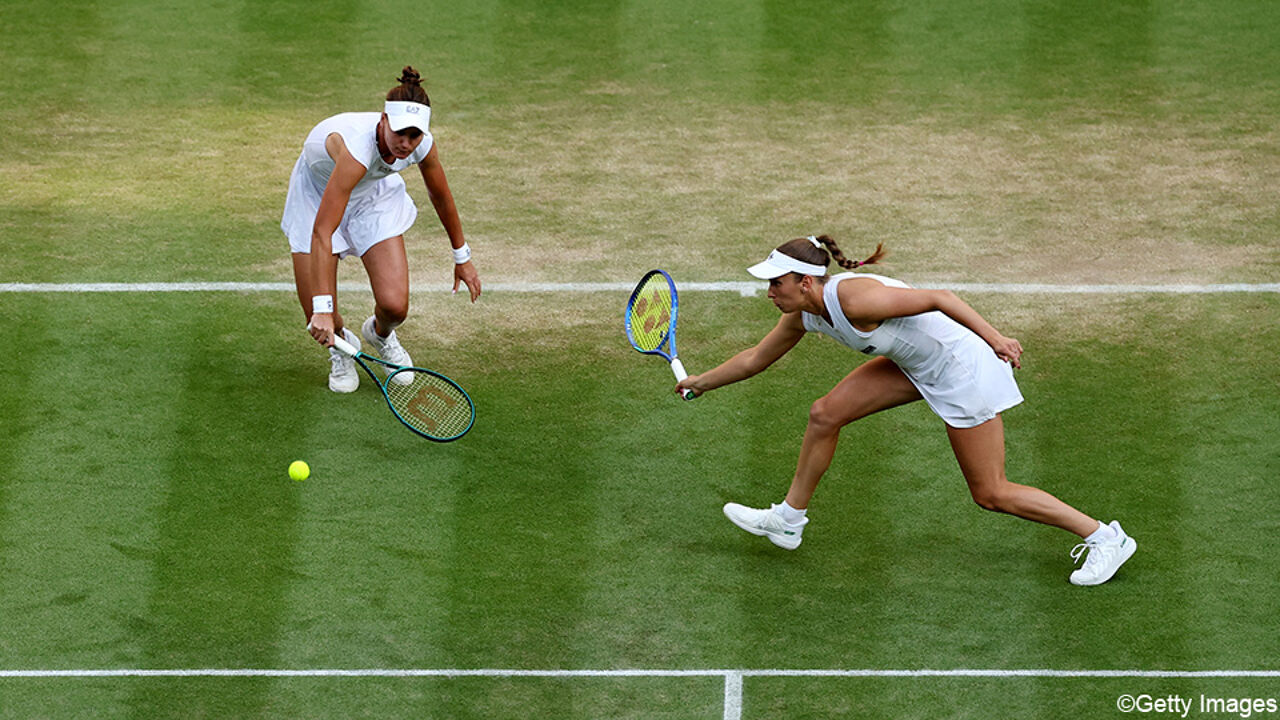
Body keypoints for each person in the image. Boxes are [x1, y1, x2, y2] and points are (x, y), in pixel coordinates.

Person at [676, 235, 1136, 586]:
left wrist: (995, 338)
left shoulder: (855, 299)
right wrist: (701, 382)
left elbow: (943, 298)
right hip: (915, 366)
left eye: (775, 283)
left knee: (991, 492)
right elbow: (757, 358)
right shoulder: (802, 313)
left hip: (963, 371)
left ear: (806, 282)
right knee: (825, 414)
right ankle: (788, 520)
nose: (769, 292)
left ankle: (1104, 537)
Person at [282, 66, 481, 392]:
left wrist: (462, 256)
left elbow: (441, 196)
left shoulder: (422, 146)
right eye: (399, 133)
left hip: (371, 196)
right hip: (316, 197)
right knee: (318, 314)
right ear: (383, 120)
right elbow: (322, 231)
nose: (405, 144)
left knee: (394, 307)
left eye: (414, 136)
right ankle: (342, 346)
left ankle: (379, 335)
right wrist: (322, 311)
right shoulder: (356, 151)